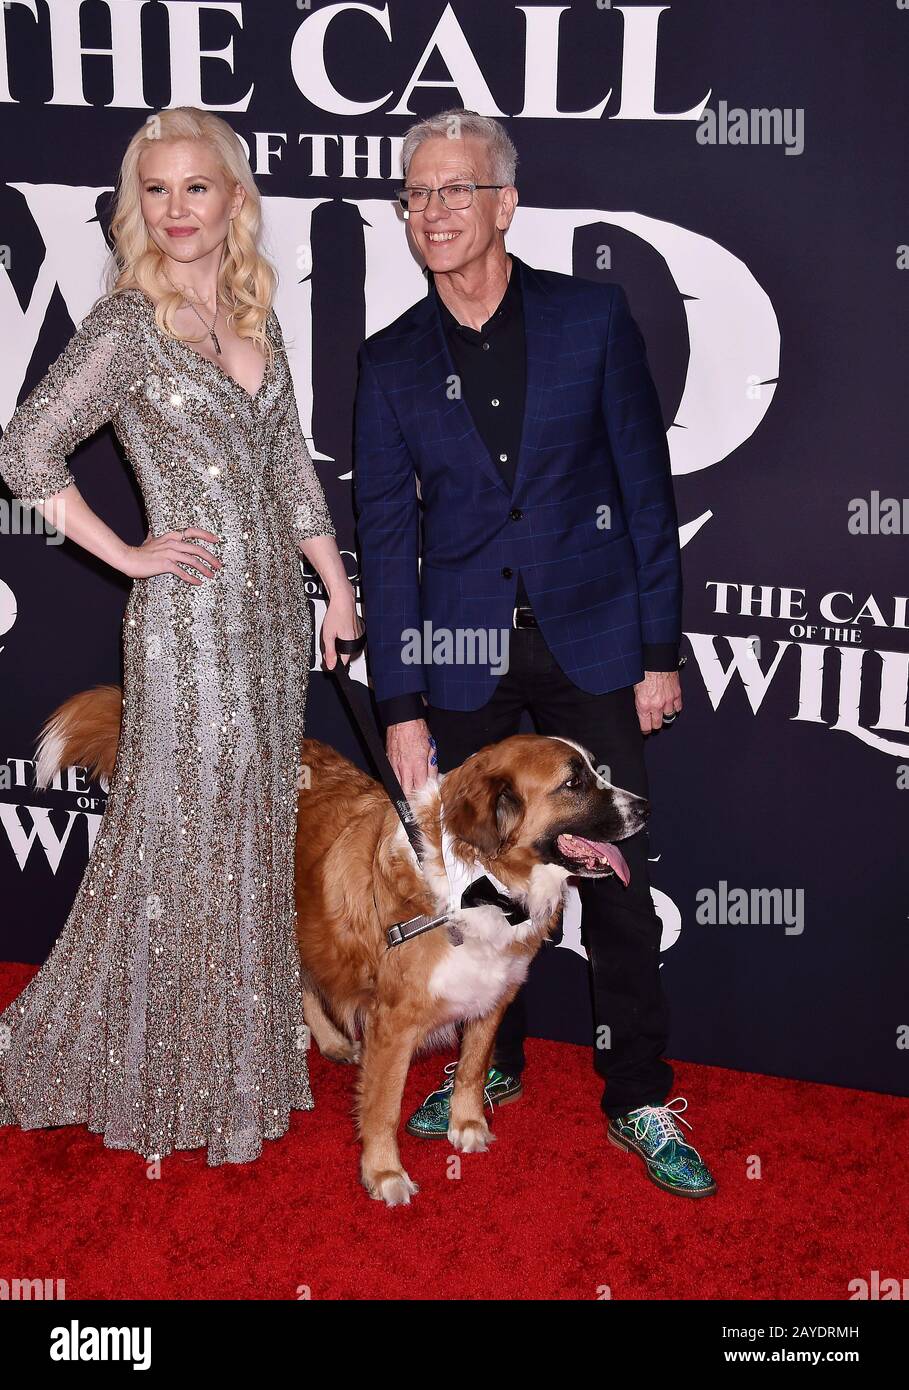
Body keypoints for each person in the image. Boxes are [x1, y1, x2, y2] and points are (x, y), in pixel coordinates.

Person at [353, 108, 716, 1197]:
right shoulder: (389, 361)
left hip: (592, 640)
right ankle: (490, 1065)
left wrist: (659, 648)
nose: (433, 213)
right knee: (470, 887)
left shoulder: (591, 319)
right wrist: (403, 702)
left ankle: (640, 1094)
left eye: (455, 190)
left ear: (504, 205)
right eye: (416, 195)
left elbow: (645, 495)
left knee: (608, 878)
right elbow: (386, 533)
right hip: (461, 661)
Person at [0, 107, 359, 1166]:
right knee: (178, 847)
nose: (175, 209)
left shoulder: (259, 313)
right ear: (134, 205)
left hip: (265, 628)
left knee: (248, 842)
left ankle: (234, 1068)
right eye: (153, 191)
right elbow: (25, 452)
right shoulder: (124, 325)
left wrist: (335, 589)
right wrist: (125, 553)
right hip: (186, 626)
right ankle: (154, 1071)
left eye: (195, 187)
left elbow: (289, 465)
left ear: (232, 196)